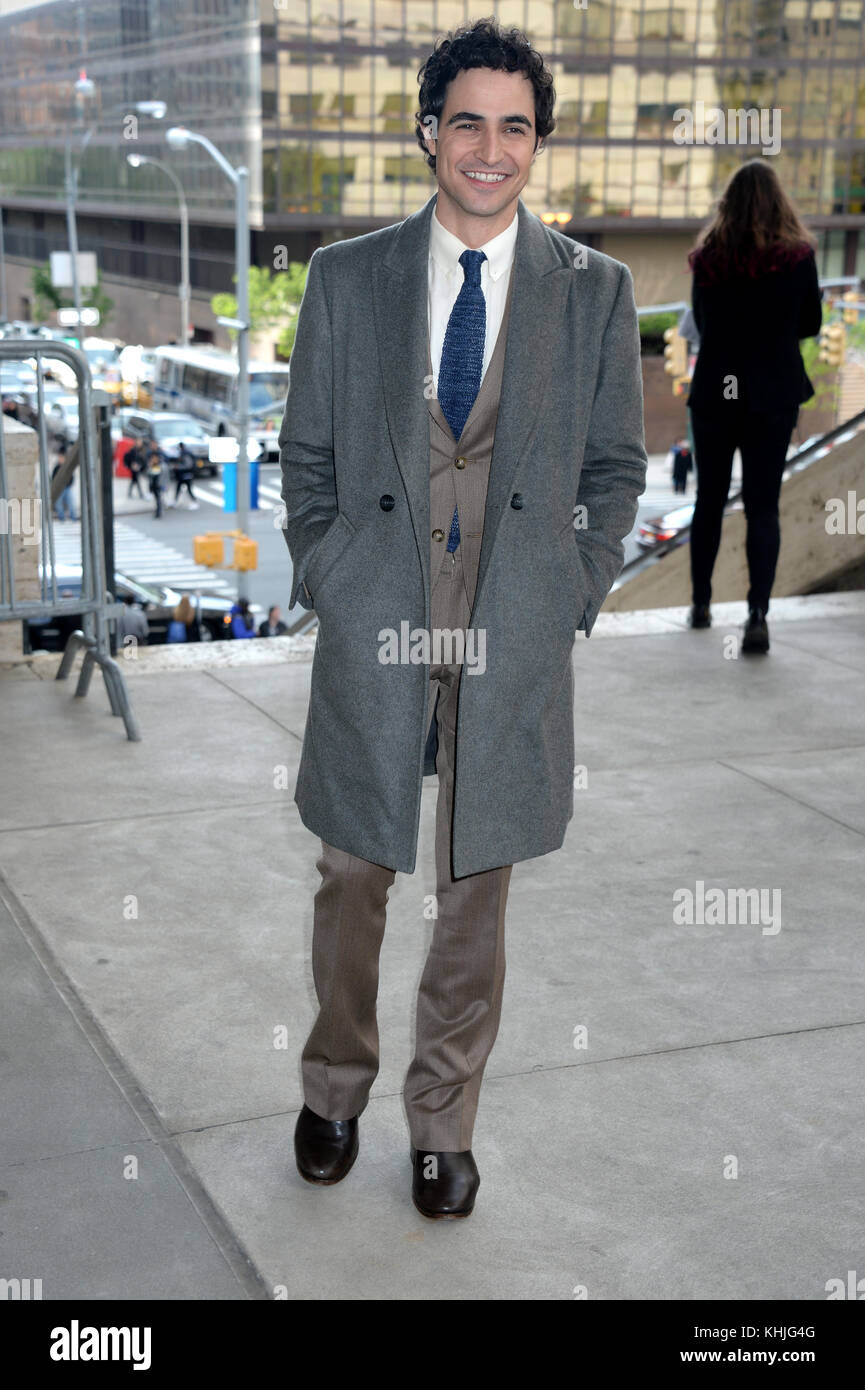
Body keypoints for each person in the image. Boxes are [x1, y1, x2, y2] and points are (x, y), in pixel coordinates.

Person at [279, 17, 647, 1220]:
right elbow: (308, 455)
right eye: (468, 122)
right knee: (352, 869)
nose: (491, 149)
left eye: (517, 127)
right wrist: (330, 568)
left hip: (513, 618)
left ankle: (443, 1122)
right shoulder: (346, 276)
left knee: (475, 885)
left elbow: (615, 465)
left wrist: (572, 587)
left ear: (537, 143)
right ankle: (333, 1084)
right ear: (429, 133)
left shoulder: (596, 292)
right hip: (380, 605)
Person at [685, 159, 823, 653]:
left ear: (729, 204)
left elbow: (701, 322)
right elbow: (810, 323)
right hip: (772, 397)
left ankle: (701, 605)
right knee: (763, 508)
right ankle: (757, 619)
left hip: (718, 395)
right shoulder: (798, 258)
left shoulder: (708, 258)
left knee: (709, 502)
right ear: (779, 201)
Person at [51, 444, 78, 522]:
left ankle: (73, 518)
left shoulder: (67, 467)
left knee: (71, 503)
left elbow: (72, 477)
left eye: (61, 457)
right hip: (59, 489)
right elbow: (53, 478)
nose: (60, 459)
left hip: (67, 488)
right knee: (58, 504)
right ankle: (61, 518)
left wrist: (69, 485)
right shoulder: (56, 467)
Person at [169, 443, 199, 509]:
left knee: (188, 489)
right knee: (178, 488)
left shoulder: (185, 454)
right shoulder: (183, 453)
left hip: (186, 475)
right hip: (182, 475)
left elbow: (188, 465)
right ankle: (175, 501)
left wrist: (178, 467)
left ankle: (194, 502)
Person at [146, 440, 165, 519]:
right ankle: (159, 508)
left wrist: (158, 462)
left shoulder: (160, 453)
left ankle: (159, 510)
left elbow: (164, 463)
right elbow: (146, 463)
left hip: (159, 477)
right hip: (152, 476)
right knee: (155, 494)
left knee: (158, 495)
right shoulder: (149, 453)